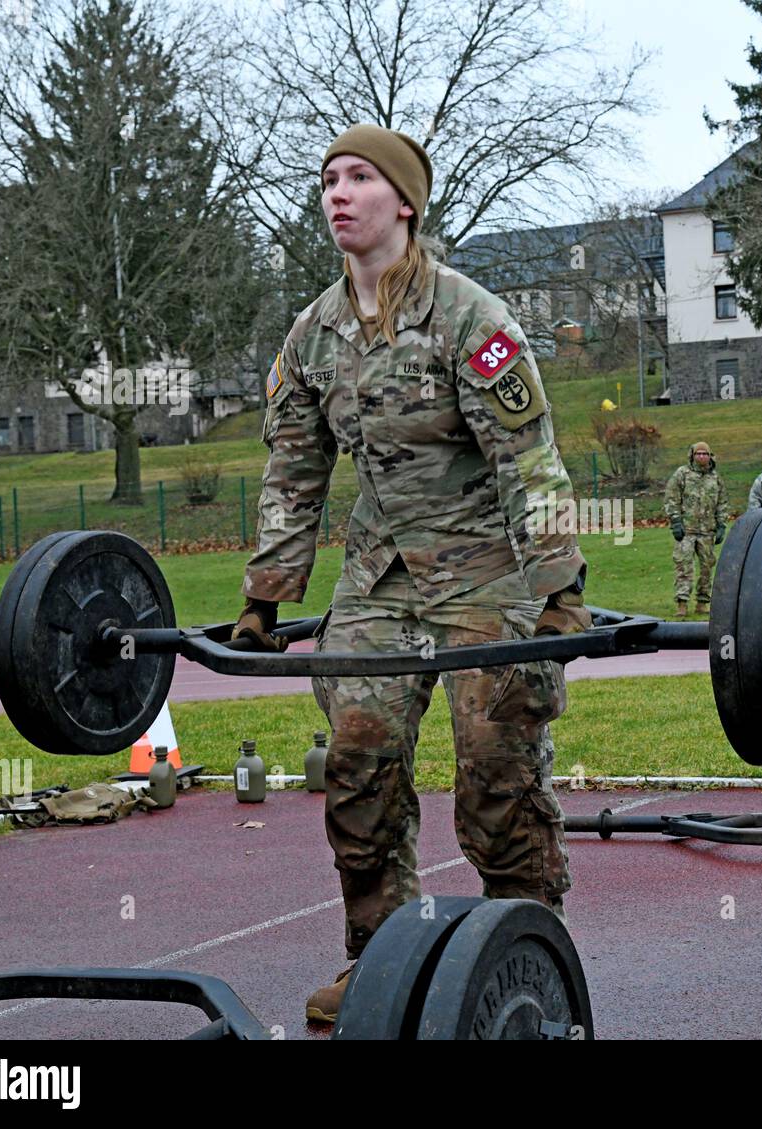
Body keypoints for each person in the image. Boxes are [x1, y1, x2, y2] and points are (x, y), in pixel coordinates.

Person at [231, 124, 589, 1025]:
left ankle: (528, 948)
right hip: (380, 573)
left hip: (483, 570)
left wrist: (558, 590)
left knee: (496, 768)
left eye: (359, 178)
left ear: (406, 201)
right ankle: (379, 959)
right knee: (357, 760)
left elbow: (529, 459)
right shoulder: (312, 337)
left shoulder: (473, 318)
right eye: (328, 180)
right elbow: (293, 471)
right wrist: (265, 595)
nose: (338, 194)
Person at [663, 441, 728, 617]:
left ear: (710, 456)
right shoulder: (682, 474)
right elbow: (671, 498)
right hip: (686, 530)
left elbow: (721, 503)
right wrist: (676, 522)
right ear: (692, 455)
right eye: (698, 454)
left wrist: (721, 524)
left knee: (707, 567)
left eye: (705, 454)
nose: (701, 457)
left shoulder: (715, 479)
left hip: (707, 531)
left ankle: (702, 602)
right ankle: (682, 603)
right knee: (684, 566)